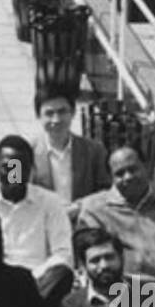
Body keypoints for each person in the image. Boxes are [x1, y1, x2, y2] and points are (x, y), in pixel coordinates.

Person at [0, 136, 74, 307]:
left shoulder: (50, 202)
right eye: (8, 166)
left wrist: (27, 281)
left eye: (20, 166)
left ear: (32, 169)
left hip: (38, 284)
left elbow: (63, 255)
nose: (14, 173)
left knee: (62, 272)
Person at [76, 145, 155, 285]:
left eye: (133, 169)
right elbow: (91, 255)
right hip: (114, 287)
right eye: (120, 173)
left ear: (146, 167)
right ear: (111, 178)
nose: (128, 177)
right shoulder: (94, 209)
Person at [30, 86, 110, 217]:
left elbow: (106, 191)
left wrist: (80, 207)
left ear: (73, 112)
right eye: (49, 113)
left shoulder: (95, 150)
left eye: (62, 112)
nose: (56, 120)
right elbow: (12, 190)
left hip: (82, 224)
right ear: (38, 115)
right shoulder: (22, 153)